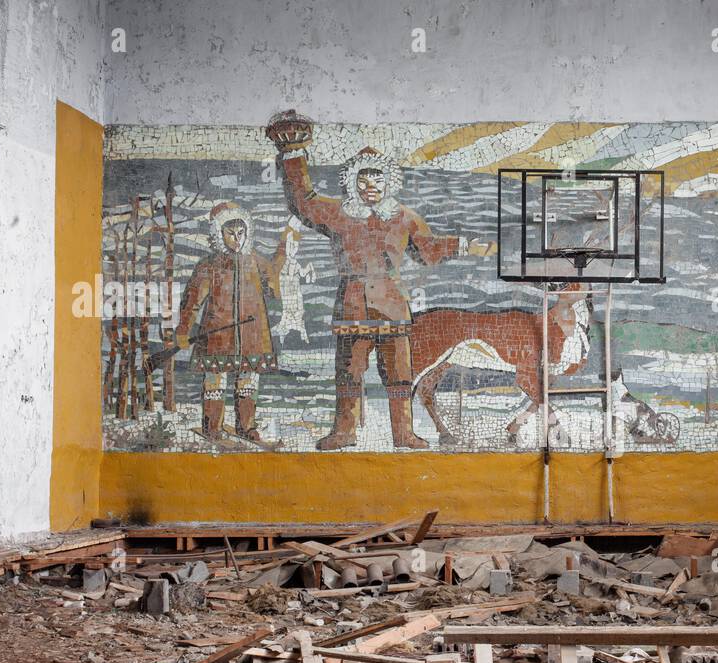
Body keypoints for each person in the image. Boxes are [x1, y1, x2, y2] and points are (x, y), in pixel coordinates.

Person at [267, 113, 492, 449]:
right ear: (352, 182)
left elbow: (427, 251)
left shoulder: (404, 217)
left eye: (376, 181)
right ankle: (344, 432)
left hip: (391, 303)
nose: (369, 187)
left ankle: (403, 433)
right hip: (353, 302)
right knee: (349, 373)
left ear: (388, 183)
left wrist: (464, 245)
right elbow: (304, 203)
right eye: (363, 181)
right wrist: (293, 154)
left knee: (399, 374)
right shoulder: (340, 213)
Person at [175, 201, 297, 442]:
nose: (237, 239)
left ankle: (246, 426)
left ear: (247, 232)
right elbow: (192, 302)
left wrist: (284, 247)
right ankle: (212, 427)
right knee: (214, 383)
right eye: (230, 234)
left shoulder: (257, 261)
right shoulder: (208, 266)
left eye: (241, 233)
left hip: (252, 335)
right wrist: (183, 330)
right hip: (217, 336)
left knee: (248, 382)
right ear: (219, 234)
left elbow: (273, 278)